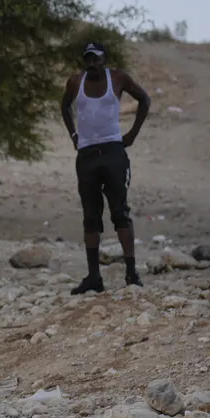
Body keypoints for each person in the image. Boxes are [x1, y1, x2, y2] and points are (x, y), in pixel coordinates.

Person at [60, 42, 151, 295]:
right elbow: (64, 106)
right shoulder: (75, 83)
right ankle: (93, 277)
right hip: (87, 154)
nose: (92, 63)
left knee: (120, 211)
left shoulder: (118, 78)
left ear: (104, 60)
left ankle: (132, 274)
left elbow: (144, 99)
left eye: (96, 59)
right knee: (90, 217)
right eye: (88, 59)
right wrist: (74, 135)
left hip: (113, 152)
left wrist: (132, 134)